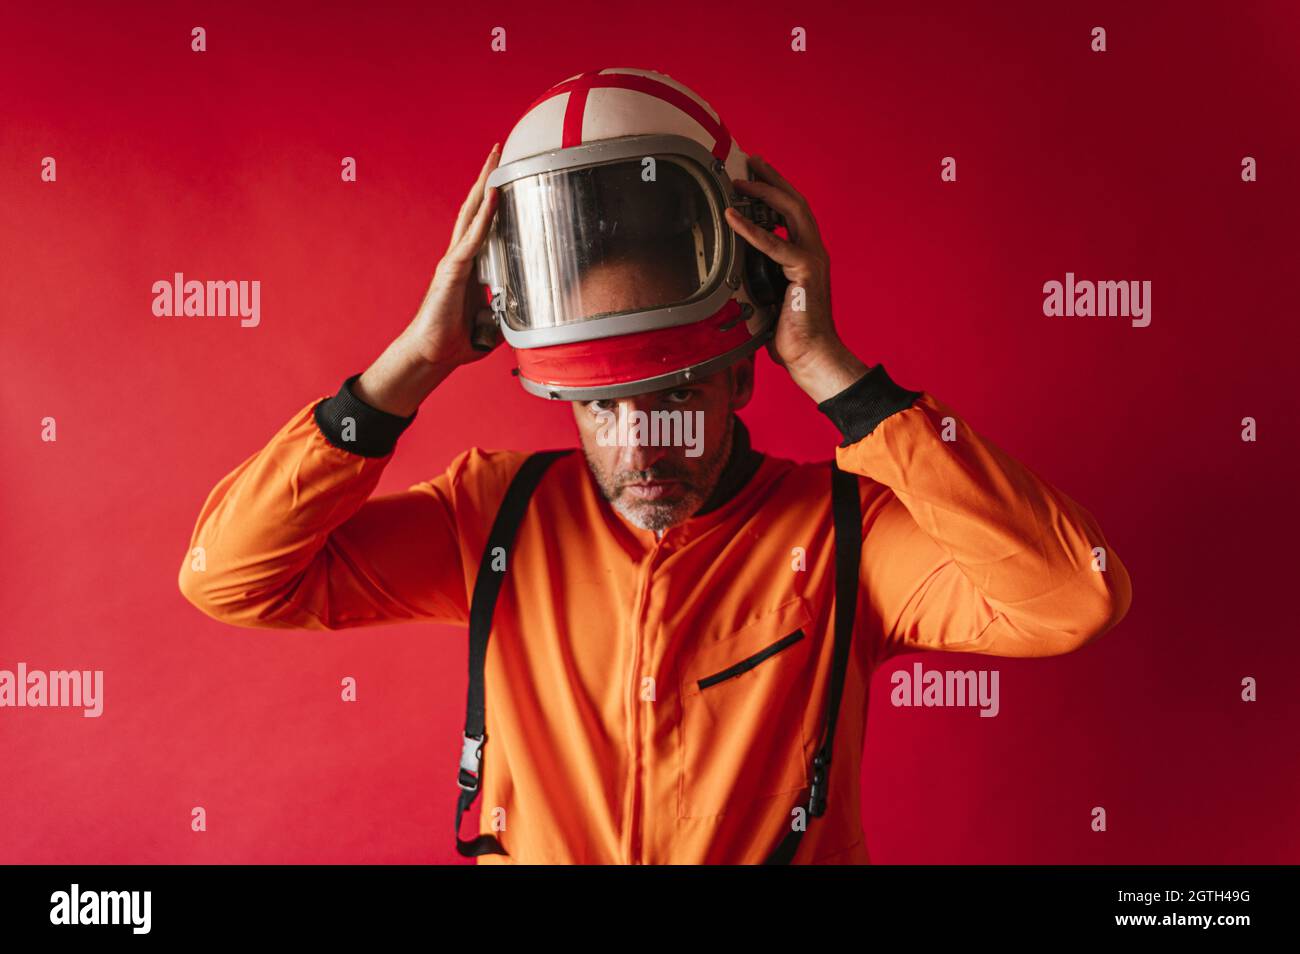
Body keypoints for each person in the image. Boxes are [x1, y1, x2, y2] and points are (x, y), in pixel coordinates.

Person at [179, 68, 1132, 864]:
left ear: (740, 384)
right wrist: (410, 366)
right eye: (602, 407)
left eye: (676, 394)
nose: (641, 444)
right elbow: (230, 579)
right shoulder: (494, 519)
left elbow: (1071, 599)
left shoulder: (846, 532)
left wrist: (832, 371)